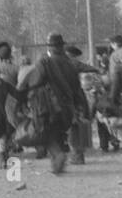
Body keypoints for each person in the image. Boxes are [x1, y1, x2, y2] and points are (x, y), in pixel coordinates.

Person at [20, 33, 90, 174]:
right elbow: (77, 89)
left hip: (49, 107)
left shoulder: (44, 62)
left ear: (49, 47)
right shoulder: (71, 63)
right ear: (62, 46)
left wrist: (22, 96)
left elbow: (34, 82)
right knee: (57, 132)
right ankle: (56, 164)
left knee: (45, 134)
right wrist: (81, 108)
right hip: (68, 108)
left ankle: (58, 156)